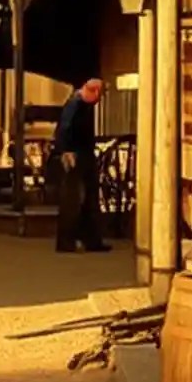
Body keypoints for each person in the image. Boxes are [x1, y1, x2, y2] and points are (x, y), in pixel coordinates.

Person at [52, 78, 110, 253]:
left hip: (83, 154)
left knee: (88, 199)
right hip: (76, 155)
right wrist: (66, 151)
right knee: (74, 200)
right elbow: (64, 129)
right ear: (92, 91)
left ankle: (91, 240)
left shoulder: (81, 105)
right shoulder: (75, 105)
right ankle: (68, 241)